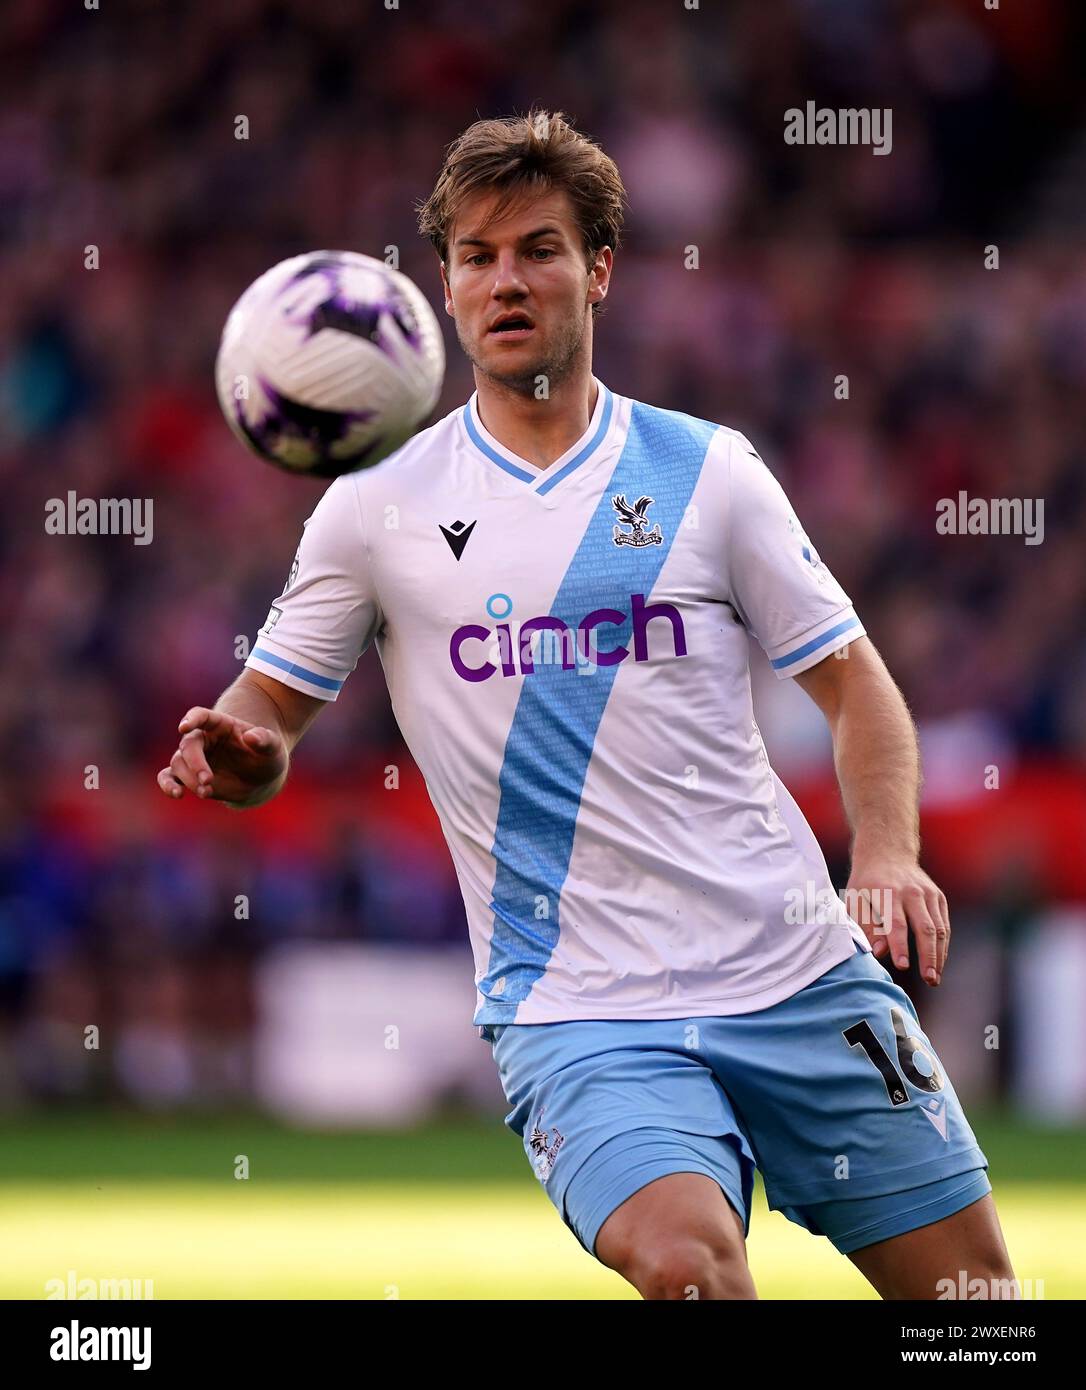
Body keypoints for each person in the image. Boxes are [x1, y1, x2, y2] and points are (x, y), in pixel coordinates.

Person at [158, 109, 1016, 1300]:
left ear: (598, 269)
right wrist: (240, 751)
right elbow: (266, 716)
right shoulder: (374, 510)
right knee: (688, 1266)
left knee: (978, 1310)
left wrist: (886, 854)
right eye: (476, 255)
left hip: (795, 970)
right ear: (446, 289)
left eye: (539, 249)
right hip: (580, 1010)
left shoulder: (708, 472)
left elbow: (858, 686)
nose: (506, 279)